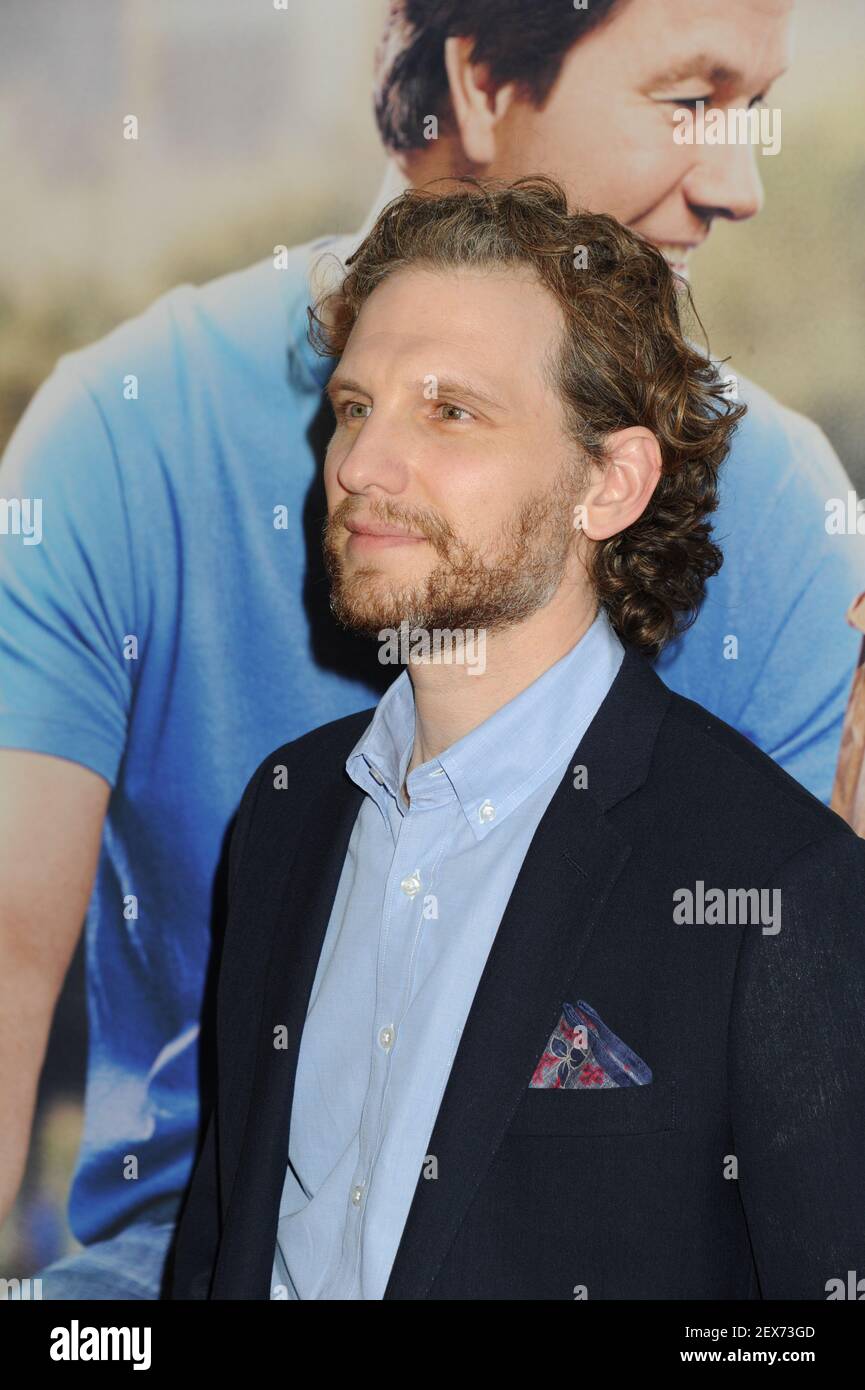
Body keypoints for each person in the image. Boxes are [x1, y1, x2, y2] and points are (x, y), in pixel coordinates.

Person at [1, 0, 862, 1301]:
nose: (735, 181)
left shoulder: (787, 518)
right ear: (477, 78)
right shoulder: (131, 461)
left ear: (614, 484)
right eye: (689, 99)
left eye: (451, 410)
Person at [169, 177, 865, 1301]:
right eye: (355, 407)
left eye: (449, 411)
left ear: (610, 481)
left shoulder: (769, 877)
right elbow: (222, 1242)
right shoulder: (289, 809)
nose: (358, 467)